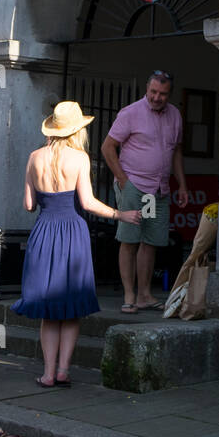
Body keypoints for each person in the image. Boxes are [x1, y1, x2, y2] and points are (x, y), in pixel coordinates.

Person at [18, 101, 140, 388]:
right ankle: (63, 371)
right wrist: (119, 213)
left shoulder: (34, 157)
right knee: (71, 307)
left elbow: (28, 205)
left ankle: (47, 374)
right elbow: (87, 203)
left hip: (44, 232)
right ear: (77, 130)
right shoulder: (80, 158)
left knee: (48, 310)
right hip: (72, 232)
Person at [102, 71, 190, 313]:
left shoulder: (175, 115)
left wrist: (181, 184)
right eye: (153, 92)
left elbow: (177, 152)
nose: (157, 97)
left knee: (150, 240)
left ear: (169, 93)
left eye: (162, 94)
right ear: (147, 89)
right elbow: (108, 147)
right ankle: (129, 295)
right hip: (134, 185)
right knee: (129, 239)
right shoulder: (130, 112)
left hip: (158, 188)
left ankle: (144, 294)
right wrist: (122, 179)